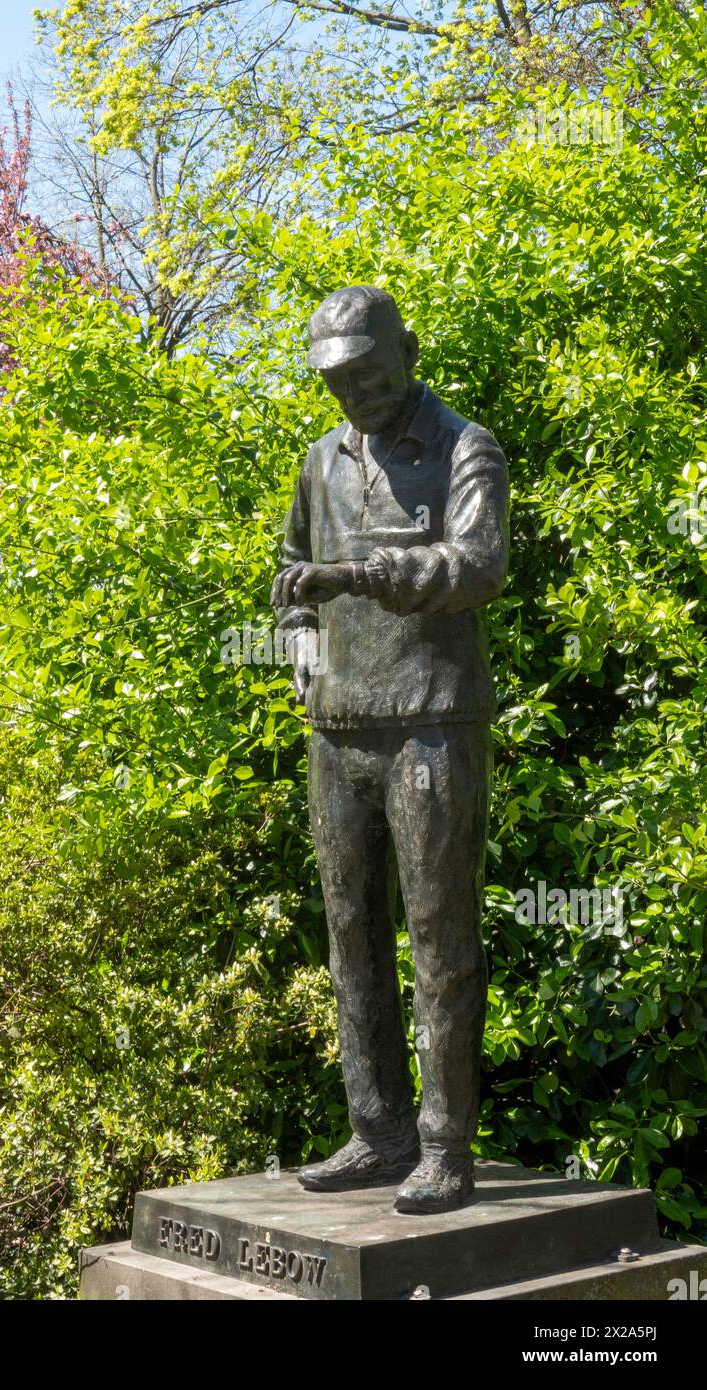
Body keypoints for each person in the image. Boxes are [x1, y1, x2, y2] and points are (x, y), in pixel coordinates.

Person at [271, 285, 509, 1214]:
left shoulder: (464, 447)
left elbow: (476, 565)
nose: (354, 396)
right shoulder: (318, 461)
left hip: (431, 721)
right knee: (351, 936)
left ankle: (446, 1146)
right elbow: (288, 576)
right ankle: (378, 1131)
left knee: (441, 941)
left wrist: (359, 575)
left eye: (368, 374)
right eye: (336, 382)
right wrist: (298, 642)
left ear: (408, 351)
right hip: (337, 729)